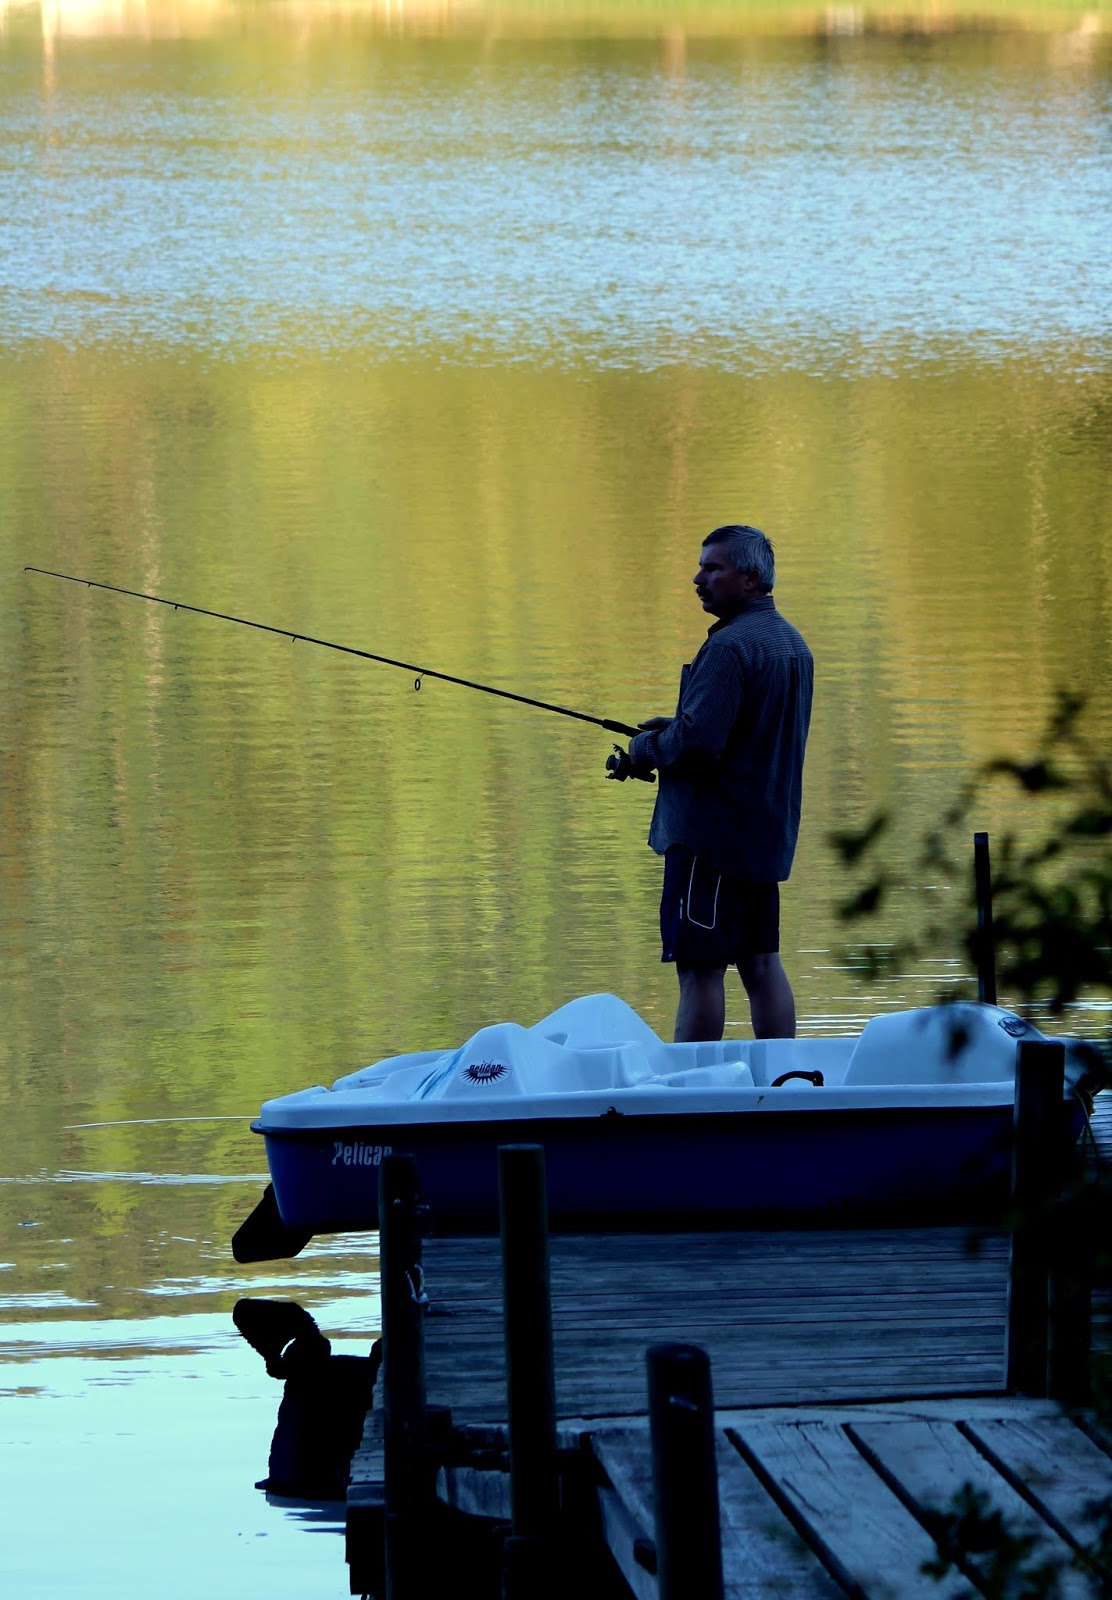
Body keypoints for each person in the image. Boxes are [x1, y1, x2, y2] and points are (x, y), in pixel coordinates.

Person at [606, 524, 813, 1043]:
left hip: (710, 843)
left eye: (712, 568)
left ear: (750, 578)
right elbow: (740, 733)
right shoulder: (793, 645)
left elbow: (698, 743)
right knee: (761, 962)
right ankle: (783, 1076)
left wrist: (644, 749)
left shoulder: (729, 647)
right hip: (763, 835)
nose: (698, 579)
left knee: (700, 969)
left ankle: (692, 1084)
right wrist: (673, 730)